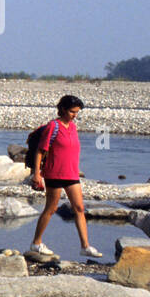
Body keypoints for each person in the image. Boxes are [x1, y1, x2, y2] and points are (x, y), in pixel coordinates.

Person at [28, 95, 101, 259]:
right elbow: (40, 151)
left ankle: (85, 246)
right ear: (62, 109)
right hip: (54, 173)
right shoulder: (53, 127)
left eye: (77, 112)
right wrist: (37, 174)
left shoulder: (73, 127)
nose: (75, 115)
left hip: (72, 174)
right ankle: (36, 243)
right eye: (72, 111)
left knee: (80, 208)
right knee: (51, 209)